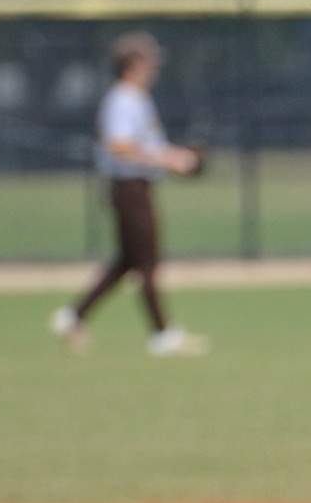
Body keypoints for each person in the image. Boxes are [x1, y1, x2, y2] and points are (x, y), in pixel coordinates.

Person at [51, 30, 209, 357]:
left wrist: (176, 155)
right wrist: (167, 160)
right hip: (129, 188)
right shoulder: (123, 99)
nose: (155, 67)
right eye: (150, 61)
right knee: (147, 263)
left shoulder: (136, 97)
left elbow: (145, 144)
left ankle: (72, 319)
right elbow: (120, 146)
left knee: (127, 261)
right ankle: (163, 335)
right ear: (134, 64)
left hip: (137, 185)